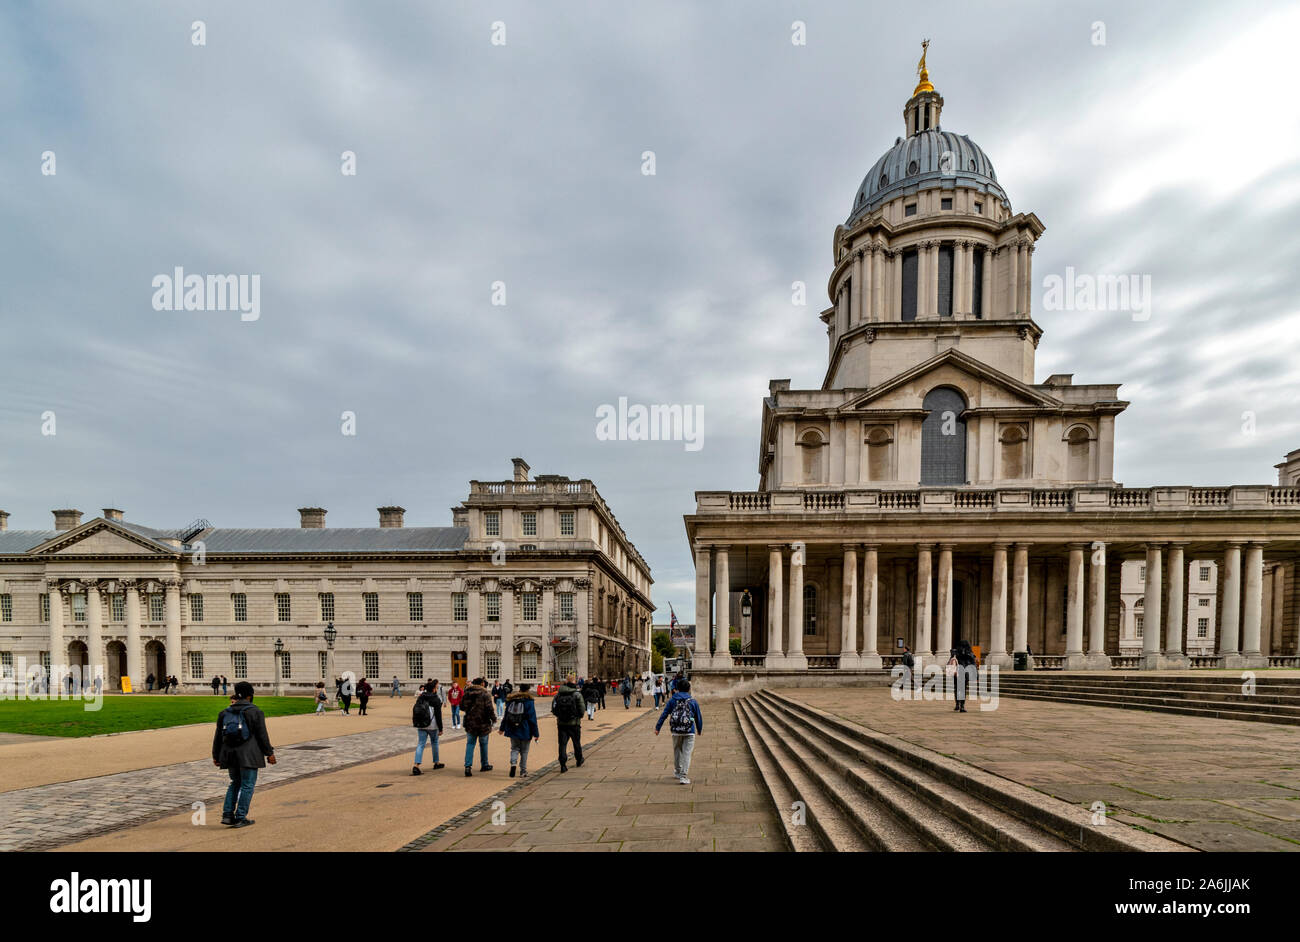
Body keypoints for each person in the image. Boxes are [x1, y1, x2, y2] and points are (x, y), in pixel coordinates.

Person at [211, 680, 276, 828]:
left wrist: (216, 755)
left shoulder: (224, 713)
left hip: (229, 754)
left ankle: (227, 815)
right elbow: (262, 736)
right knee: (247, 785)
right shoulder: (255, 711)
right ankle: (241, 816)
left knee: (235, 783)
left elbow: (218, 737)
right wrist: (269, 753)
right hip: (249, 754)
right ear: (250, 695)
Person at [655, 678, 704, 785]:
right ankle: (683, 776)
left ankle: (677, 771)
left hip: (676, 730)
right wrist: (699, 729)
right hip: (689, 730)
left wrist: (658, 727)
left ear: (677, 688)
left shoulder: (672, 700)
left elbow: (664, 714)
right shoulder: (693, 701)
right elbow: (698, 717)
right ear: (688, 689)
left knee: (677, 750)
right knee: (687, 753)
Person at [500, 682, 540, 778]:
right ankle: (523, 771)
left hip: (512, 727)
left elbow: (506, 716)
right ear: (528, 690)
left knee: (514, 748)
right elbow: (532, 719)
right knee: (524, 751)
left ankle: (513, 764)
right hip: (525, 728)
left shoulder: (511, 700)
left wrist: (502, 728)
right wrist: (536, 733)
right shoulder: (529, 701)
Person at [461, 677, 495, 776]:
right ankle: (484, 764)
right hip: (483, 722)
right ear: (482, 684)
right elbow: (489, 708)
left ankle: (468, 766)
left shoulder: (467, 693)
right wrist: (493, 718)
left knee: (470, 744)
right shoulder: (485, 694)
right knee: (483, 744)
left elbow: (462, 706)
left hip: (470, 722)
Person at [551, 673, 585, 772]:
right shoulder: (577, 694)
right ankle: (579, 759)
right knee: (576, 742)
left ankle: (563, 764)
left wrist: (559, 716)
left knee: (562, 744)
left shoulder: (558, 694)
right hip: (574, 723)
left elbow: (553, 708)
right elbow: (582, 708)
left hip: (561, 724)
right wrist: (579, 716)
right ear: (574, 681)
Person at [411, 679, 445, 775]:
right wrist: (441, 728)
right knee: (434, 743)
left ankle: (416, 765)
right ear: (434, 689)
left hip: (421, 723)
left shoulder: (421, 697)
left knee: (420, 744)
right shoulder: (436, 699)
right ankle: (436, 762)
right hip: (432, 724)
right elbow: (438, 715)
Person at [952, 640, 977, 713]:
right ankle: (962, 706)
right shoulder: (970, 653)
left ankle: (957, 704)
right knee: (963, 689)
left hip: (957, 672)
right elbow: (973, 664)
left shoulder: (955, 652)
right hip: (965, 672)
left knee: (957, 688)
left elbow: (951, 661)